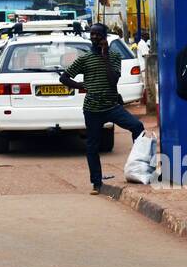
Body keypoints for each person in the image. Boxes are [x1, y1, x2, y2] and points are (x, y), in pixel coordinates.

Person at [59, 22, 146, 196]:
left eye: (98, 34)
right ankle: (96, 183)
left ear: (105, 37)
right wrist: (80, 85)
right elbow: (64, 77)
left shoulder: (114, 56)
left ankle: (138, 169)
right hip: (92, 109)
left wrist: (105, 56)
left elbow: (113, 80)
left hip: (112, 106)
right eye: (92, 34)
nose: (94, 37)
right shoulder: (84, 58)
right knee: (92, 146)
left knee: (137, 127)